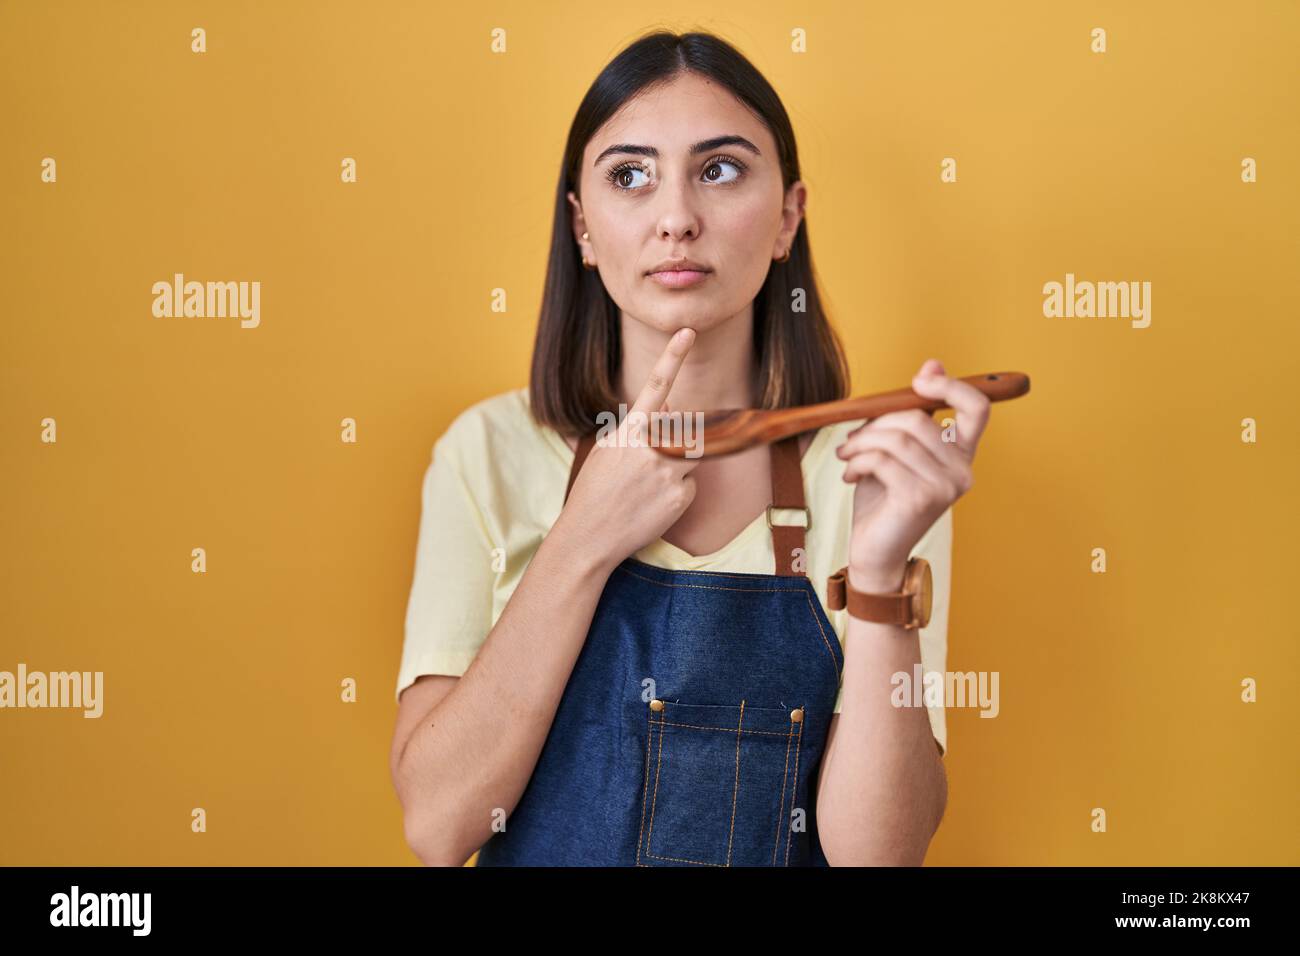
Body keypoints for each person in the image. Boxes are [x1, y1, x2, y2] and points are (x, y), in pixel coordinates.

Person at [389, 30, 991, 867]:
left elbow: (877, 858)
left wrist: (883, 580)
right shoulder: (485, 454)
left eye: (720, 169)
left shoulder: (874, 471)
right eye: (630, 176)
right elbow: (439, 827)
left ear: (787, 216)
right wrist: (580, 541)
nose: (676, 218)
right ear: (583, 228)